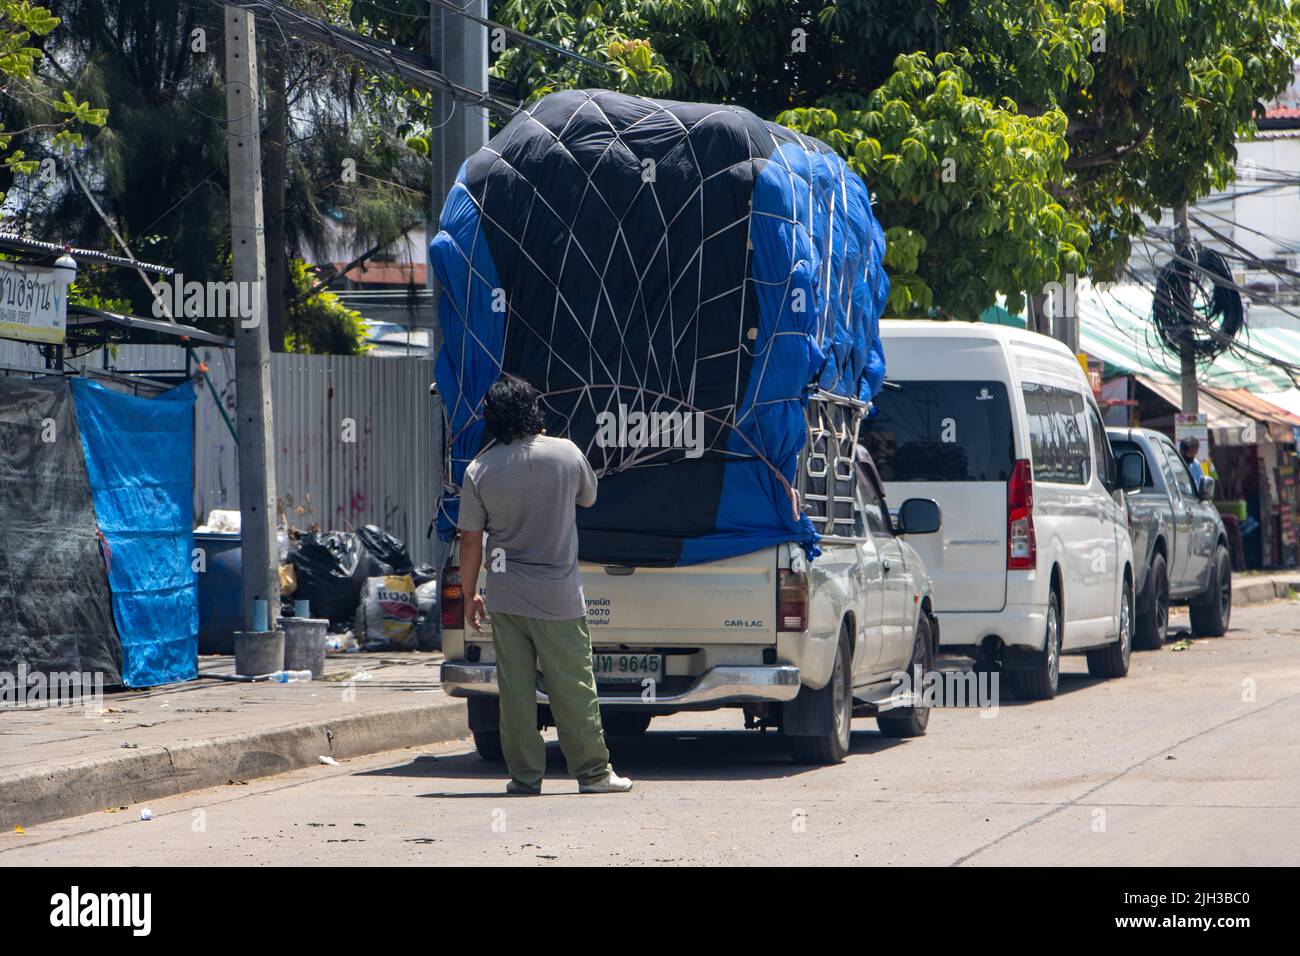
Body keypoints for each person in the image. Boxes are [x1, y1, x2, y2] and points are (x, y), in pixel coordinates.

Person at [456, 374, 632, 796]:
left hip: (505, 595)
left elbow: (469, 539)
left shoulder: (480, 468)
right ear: (533, 410)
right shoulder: (565, 453)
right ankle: (593, 774)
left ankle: (524, 778)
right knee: (573, 687)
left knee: (516, 694)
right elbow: (588, 497)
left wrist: (469, 595)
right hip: (559, 598)